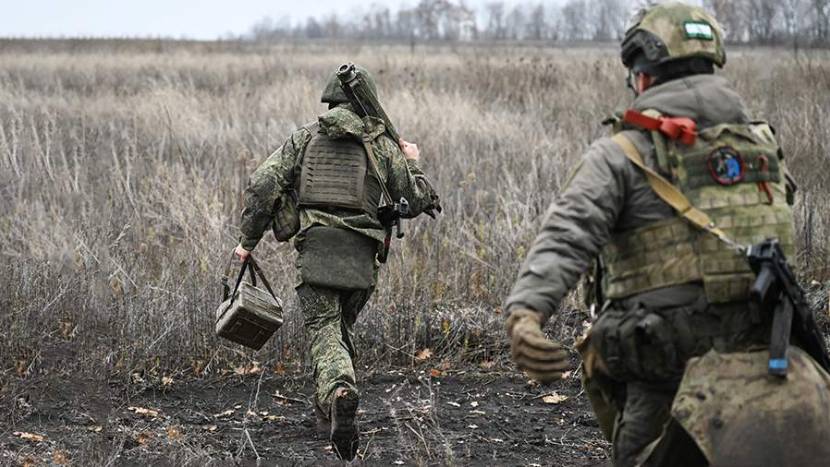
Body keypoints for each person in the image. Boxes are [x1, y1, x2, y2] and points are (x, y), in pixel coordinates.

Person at [503, 3, 830, 466]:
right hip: (767, 352)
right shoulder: (762, 147)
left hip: (665, 366)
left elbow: (567, 233)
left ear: (642, 76)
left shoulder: (623, 153)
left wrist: (525, 313)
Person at [234, 64, 439, 460]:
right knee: (338, 330)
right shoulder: (380, 145)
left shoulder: (304, 139)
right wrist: (411, 159)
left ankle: (340, 391)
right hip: (362, 257)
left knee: (326, 332)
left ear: (330, 101)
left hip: (317, 252)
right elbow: (415, 199)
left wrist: (248, 241)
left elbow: (262, 184)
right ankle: (328, 412)